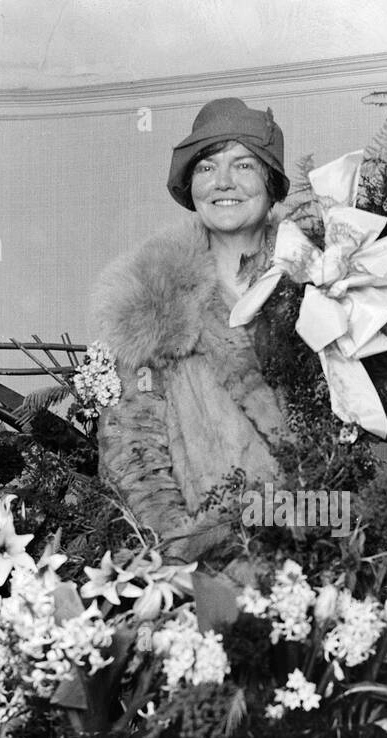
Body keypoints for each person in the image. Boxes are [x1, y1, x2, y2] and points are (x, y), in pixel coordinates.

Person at [92, 98, 293, 565]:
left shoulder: (325, 282)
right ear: (190, 185)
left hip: (314, 558)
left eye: (243, 164)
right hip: (198, 575)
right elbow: (133, 453)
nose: (222, 182)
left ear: (271, 180)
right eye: (206, 167)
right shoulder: (150, 299)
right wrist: (177, 556)